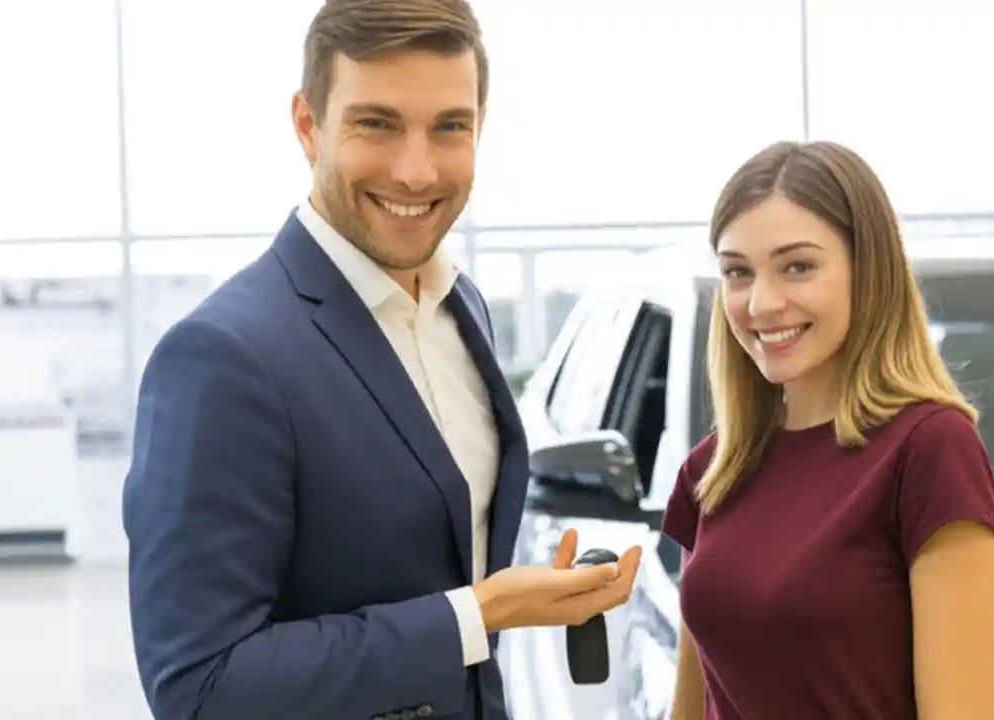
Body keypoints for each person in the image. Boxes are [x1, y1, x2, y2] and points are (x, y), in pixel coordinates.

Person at [121, 1, 641, 718]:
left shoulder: (466, 311)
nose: (416, 171)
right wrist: (475, 615)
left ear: (480, 127)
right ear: (309, 126)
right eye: (377, 124)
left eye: (449, 127)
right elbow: (200, 688)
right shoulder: (223, 358)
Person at [663, 140, 994, 720]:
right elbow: (692, 709)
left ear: (867, 269)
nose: (761, 303)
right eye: (737, 273)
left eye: (797, 266)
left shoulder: (930, 451)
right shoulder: (715, 466)